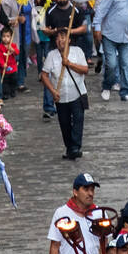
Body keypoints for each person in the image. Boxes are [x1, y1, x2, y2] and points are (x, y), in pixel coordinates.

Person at [41, 27, 88, 161]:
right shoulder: (51, 55)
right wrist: (52, 91)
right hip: (60, 96)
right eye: (58, 38)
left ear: (69, 40)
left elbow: (85, 69)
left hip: (77, 93)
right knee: (64, 123)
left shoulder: (77, 52)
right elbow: (44, 75)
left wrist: (69, 64)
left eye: (63, 37)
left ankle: (75, 147)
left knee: (78, 121)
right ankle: (69, 147)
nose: (60, 40)